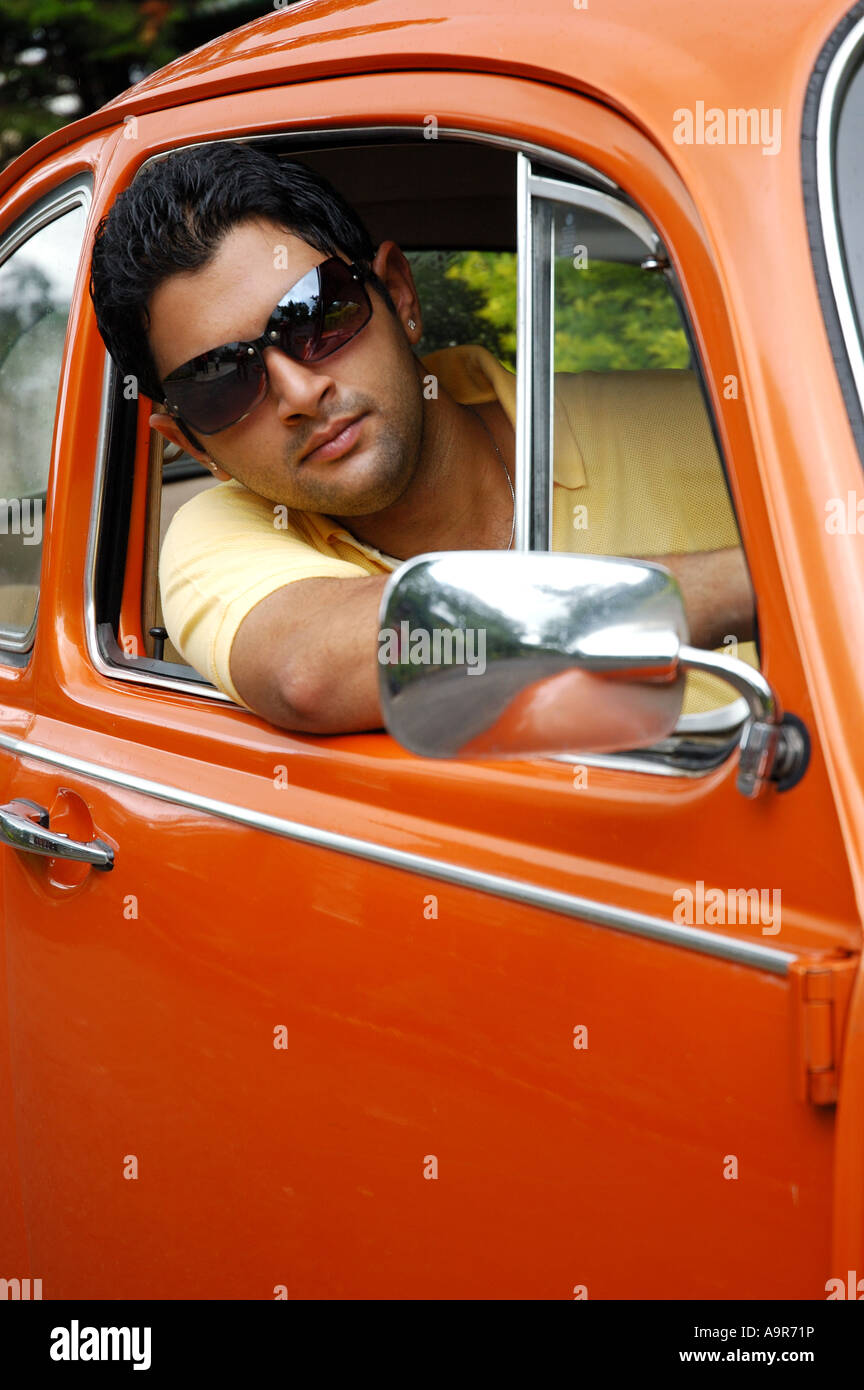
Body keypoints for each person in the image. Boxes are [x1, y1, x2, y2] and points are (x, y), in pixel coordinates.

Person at [90, 142, 755, 733]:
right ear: (193, 443)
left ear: (402, 296)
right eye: (219, 380)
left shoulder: (705, 422)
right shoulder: (220, 534)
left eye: (315, 314)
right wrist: (770, 583)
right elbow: (308, 672)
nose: (299, 393)